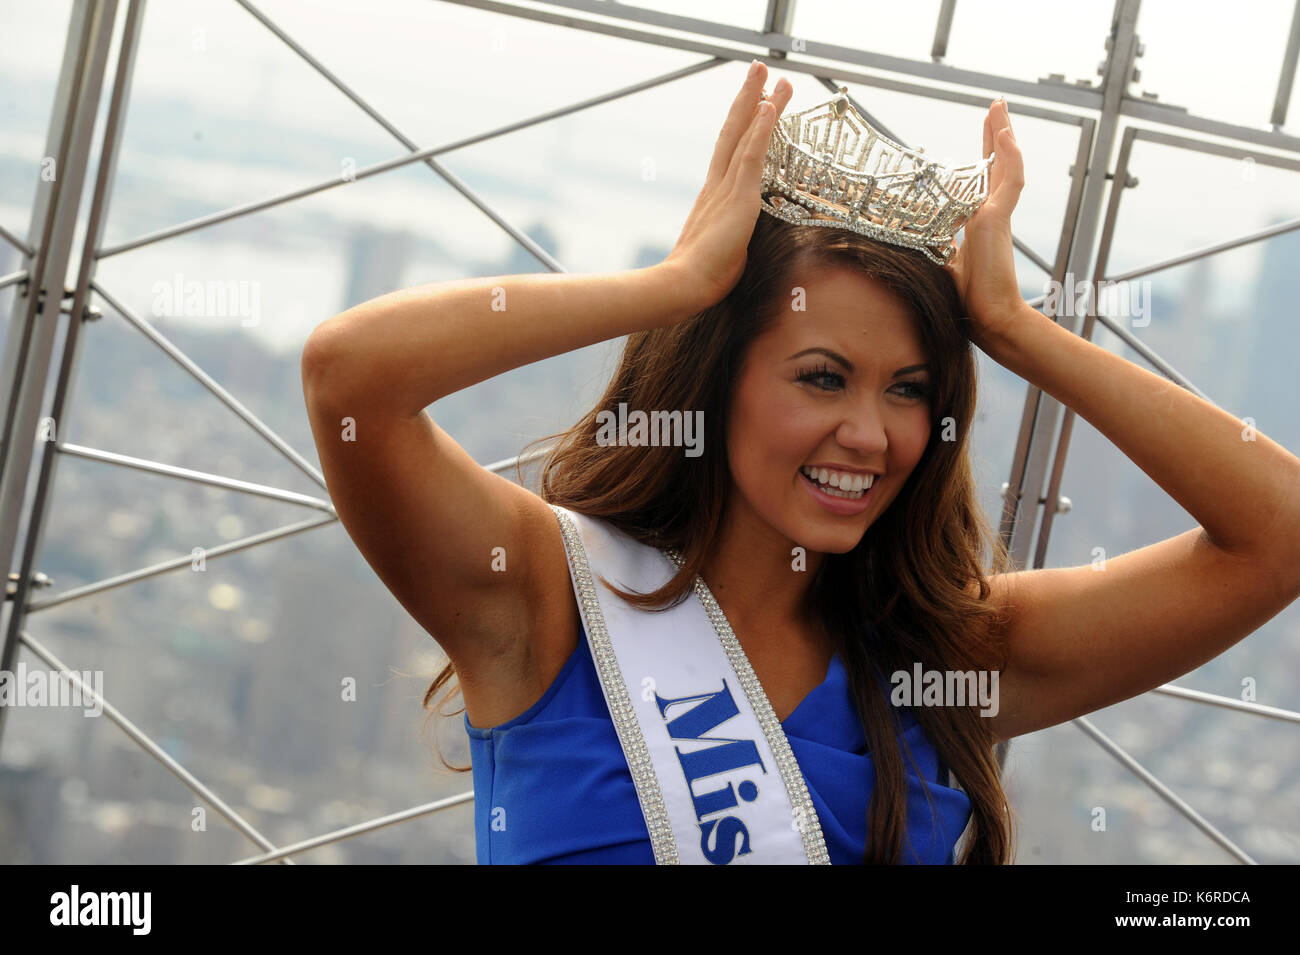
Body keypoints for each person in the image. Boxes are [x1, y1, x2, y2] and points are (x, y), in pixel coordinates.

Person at [300, 60, 1300, 865]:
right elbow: (350, 377)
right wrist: (678, 282)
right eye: (822, 378)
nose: (870, 433)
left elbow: (1279, 531)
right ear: (716, 376)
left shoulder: (949, 660)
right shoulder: (548, 600)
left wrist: (1013, 328)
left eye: (908, 389)